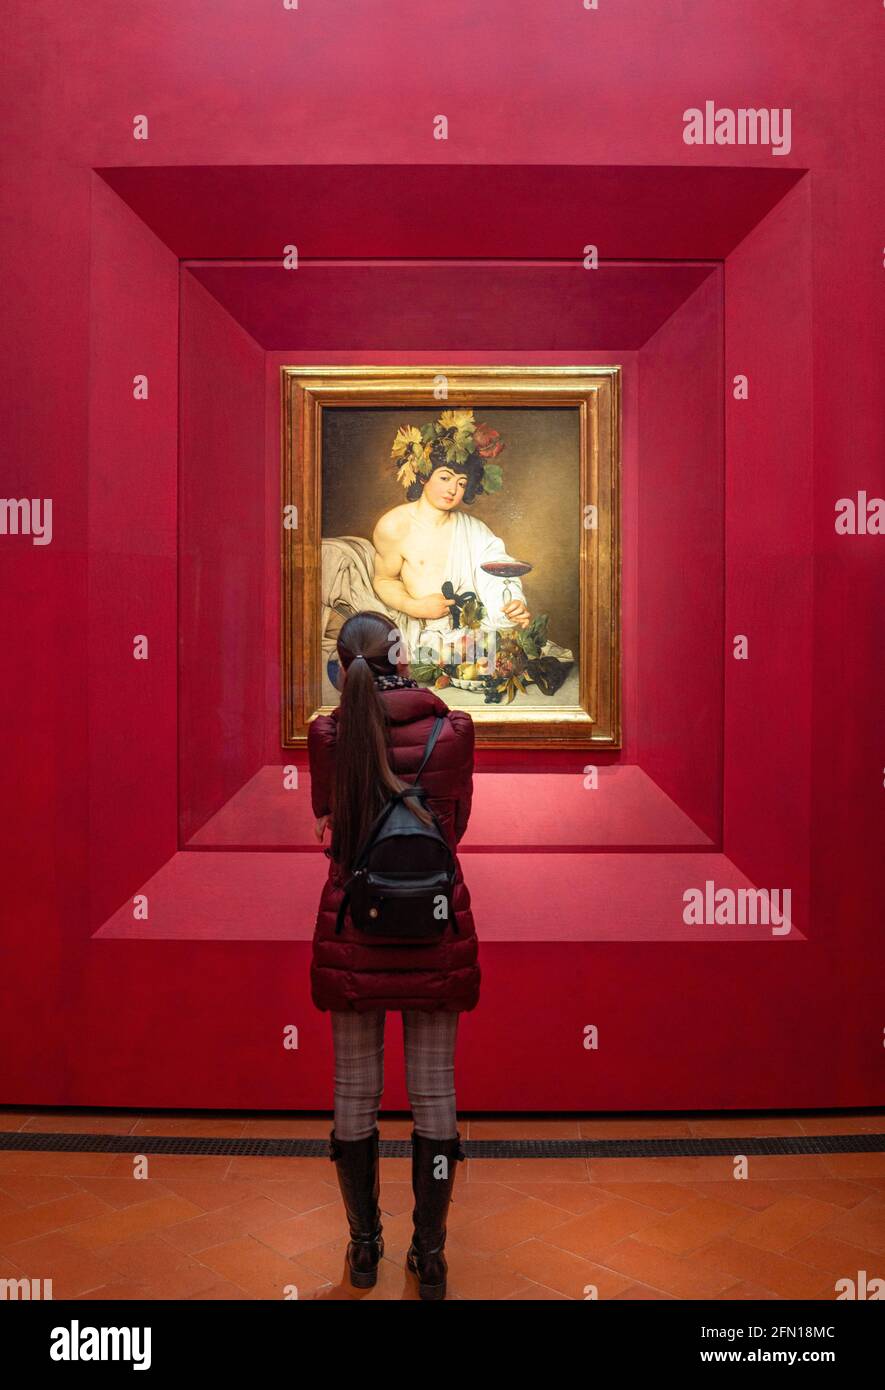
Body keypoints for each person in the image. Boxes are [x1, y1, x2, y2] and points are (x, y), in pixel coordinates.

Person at [307, 609, 479, 1300]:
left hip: (354, 925)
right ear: (400, 655)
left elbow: (329, 833)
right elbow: (456, 826)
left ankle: (364, 1246)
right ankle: (429, 1253)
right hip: (436, 926)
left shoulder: (328, 734)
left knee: (355, 1092)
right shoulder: (452, 728)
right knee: (434, 1094)